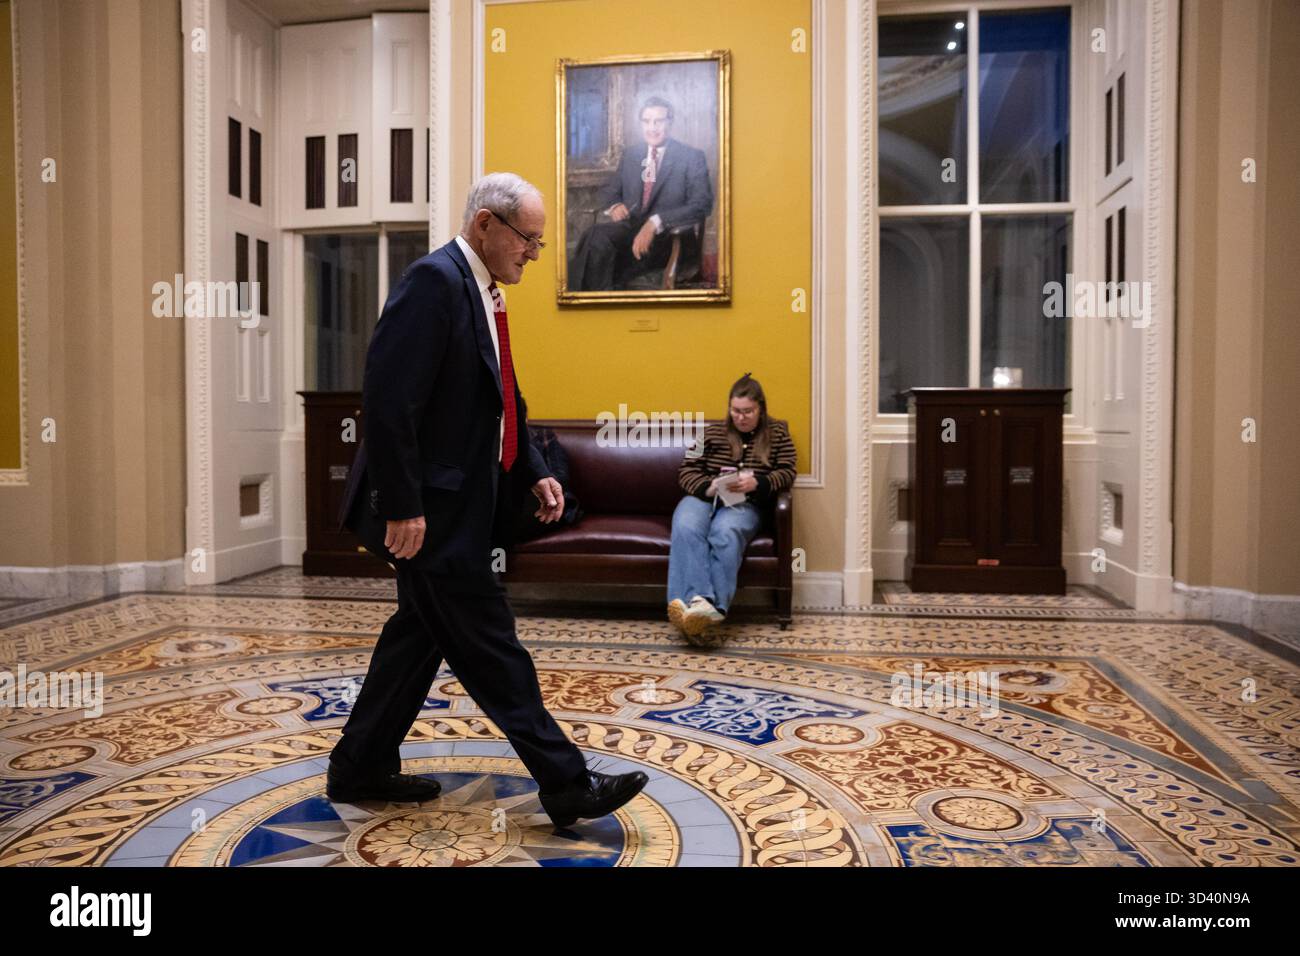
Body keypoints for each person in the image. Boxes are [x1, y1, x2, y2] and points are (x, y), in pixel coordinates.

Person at [330, 172, 647, 828]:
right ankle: (566, 783)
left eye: (538, 240)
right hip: (431, 515)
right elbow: (388, 401)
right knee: (491, 645)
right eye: (527, 238)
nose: (533, 251)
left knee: (416, 639)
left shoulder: (482, 292)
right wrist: (402, 505)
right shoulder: (433, 283)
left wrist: (532, 466)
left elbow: (501, 396)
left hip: (458, 505)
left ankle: (358, 764)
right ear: (485, 225)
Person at [667, 374, 797, 640]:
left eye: (748, 411)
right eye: (736, 411)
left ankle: (708, 607)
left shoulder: (777, 434)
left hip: (745, 505)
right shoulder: (711, 433)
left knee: (725, 533)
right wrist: (709, 486)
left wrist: (758, 483)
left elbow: (787, 472)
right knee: (686, 525)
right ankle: (698, 604)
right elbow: (685, 469)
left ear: (761, 409)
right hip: (704, 498)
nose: (741, 417)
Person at [567, 96, 714, 290]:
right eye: (646, 121)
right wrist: (615, 205)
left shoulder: (691, 157)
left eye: (659, 121)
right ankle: (588, 303)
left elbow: (702, 204)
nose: (652, 128)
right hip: (630, 233)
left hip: (669, 239)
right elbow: (609, 191)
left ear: (671, 122)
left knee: (598, 253)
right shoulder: (632, 154)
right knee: (595, 237)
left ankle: (591, 302)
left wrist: (655, 222)